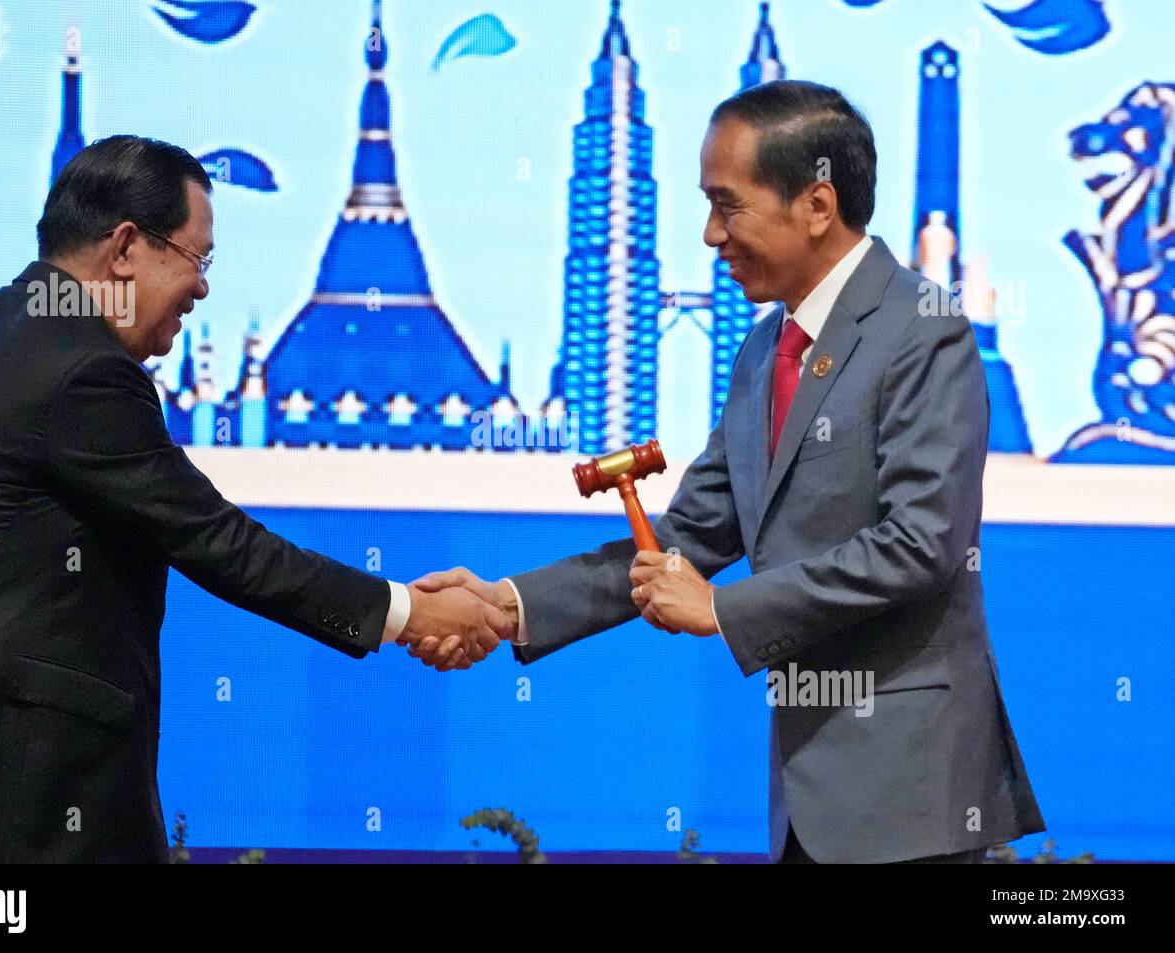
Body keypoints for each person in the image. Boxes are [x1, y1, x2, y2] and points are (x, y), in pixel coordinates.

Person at [415, 80, 1047, 864]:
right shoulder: (763, 350)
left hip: (909, 795)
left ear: (817, 204)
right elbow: (682, 538)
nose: (710, 234)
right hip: (804, 803)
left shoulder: (924, 329)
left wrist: (725, 607)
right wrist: (508, 605)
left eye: (728, 204)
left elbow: (920, 542)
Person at [0, 135, 508, 863]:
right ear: (123, 248)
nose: (202, 288)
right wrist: (410, 611)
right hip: (6, 808)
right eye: (195, 259)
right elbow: (218, 541)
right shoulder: (82, 369)